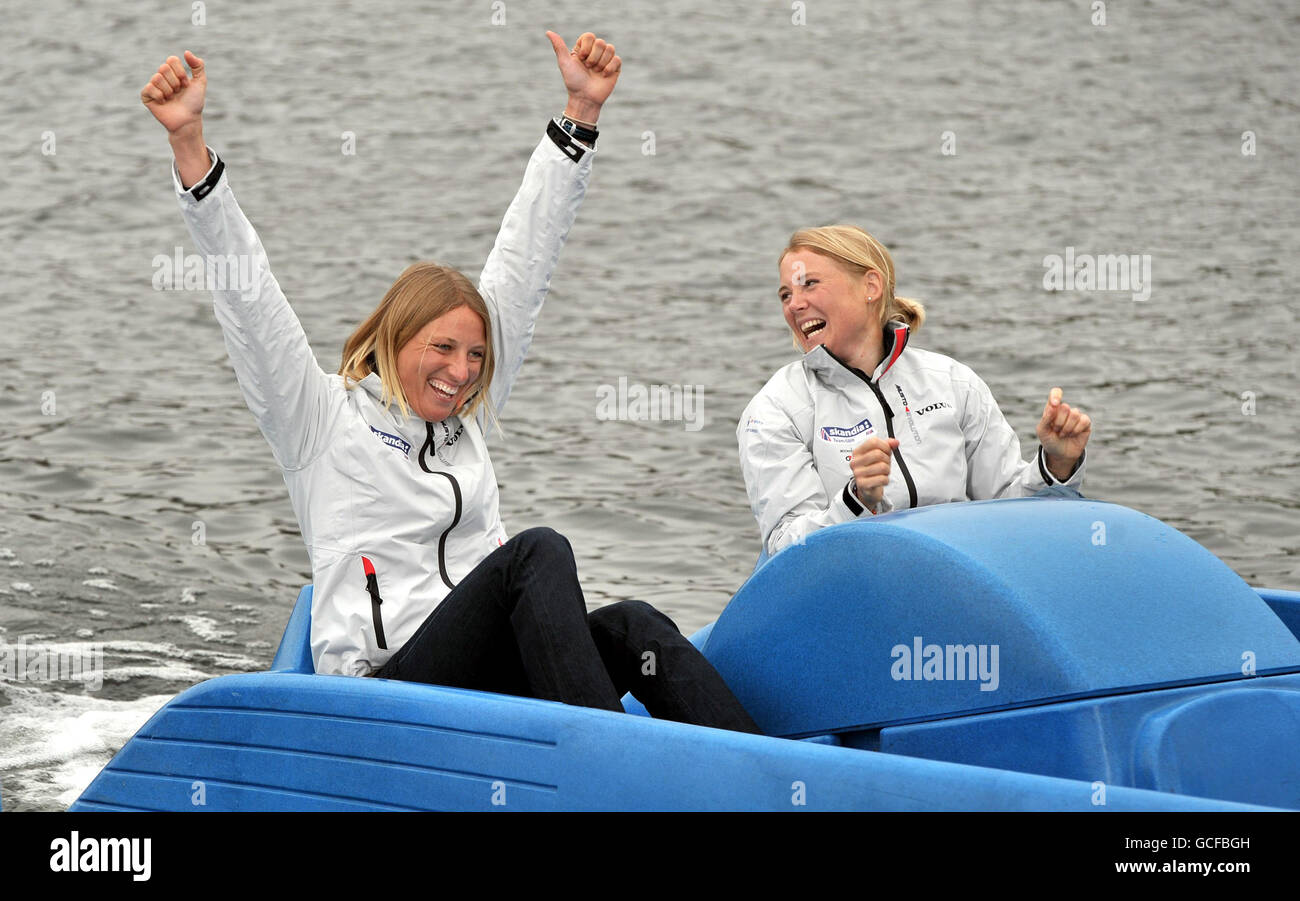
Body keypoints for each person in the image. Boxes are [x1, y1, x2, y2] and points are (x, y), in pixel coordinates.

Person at [140, 36, 759, 733]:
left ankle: (768, 772)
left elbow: (528, 255)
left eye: (474, 354)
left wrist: (580, 111)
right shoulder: (317, 417)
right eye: (442, 348)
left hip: (479, 677)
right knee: (539, 551)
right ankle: (606, 759)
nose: (461, 371)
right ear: (395, 338)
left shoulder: (466, 419)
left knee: (633, 628)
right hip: (387, 692)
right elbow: (249, 301)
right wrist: (191, 148)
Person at [737, 225, 1092, 557]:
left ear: (870, 287)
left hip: (958, 584)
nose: (794, 305)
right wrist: (857, 500)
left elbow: (1011, 514)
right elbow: (785, 550)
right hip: (855, 595)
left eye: (809, 284)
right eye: (786, 293)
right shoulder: (774, 408)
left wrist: (1056, 465)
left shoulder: (953, 381)